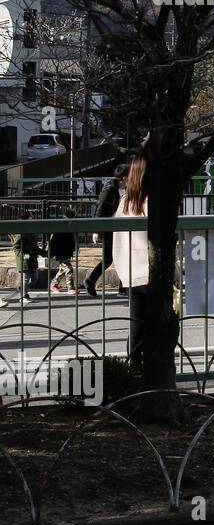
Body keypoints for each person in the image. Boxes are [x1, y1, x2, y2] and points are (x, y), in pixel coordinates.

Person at [112, 155, 152, 372]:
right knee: (159, 325)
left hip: (130, 272)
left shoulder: (125, 202)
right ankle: (151, 370)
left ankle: (135, 368)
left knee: (136, 325)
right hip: (150, 271)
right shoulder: (150, 203)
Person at [84, 163, 128, 298]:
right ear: (124, 177)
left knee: (124, 256)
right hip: (110, 228)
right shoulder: (110, 188)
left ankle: (123, 288)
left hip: (119, 227)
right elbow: (100, 208)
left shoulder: (123, 188)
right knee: (112, 258)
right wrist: (97, 230)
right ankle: (91, 280)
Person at [7, 211, 44, 307]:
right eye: (31, 217)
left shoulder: (31, 230)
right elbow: (16, 246)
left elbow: (35, 247)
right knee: (26, 278)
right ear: (27, 218)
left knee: (34, 279)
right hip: (24, 260)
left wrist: (44, 253)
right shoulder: (21, 231)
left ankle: (22, 288)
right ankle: (24, 295)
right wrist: (24, 256)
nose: (33, 218)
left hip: (32, 259)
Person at [48, 208, 78, 293]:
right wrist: (51, 252)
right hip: (60, 252)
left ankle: (53, 284)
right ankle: (70, 288)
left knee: (62, 269)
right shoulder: (61, 226)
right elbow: (54, 241)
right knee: (69, 269)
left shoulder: (70, 226)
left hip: (66, 252)